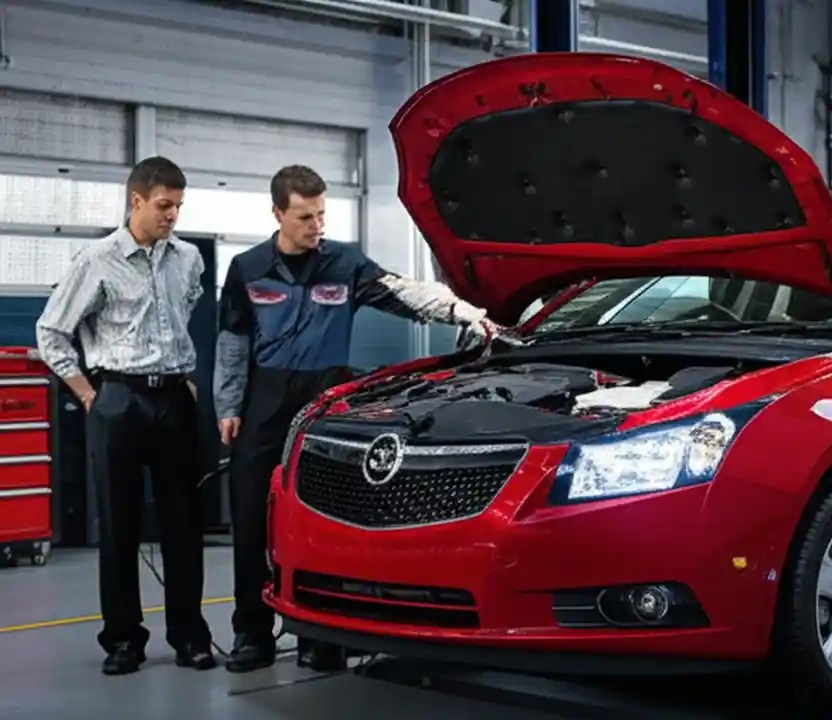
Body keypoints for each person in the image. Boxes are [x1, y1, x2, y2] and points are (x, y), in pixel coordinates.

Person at [214, 164, 505, 673]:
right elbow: (232, 344)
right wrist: (227, 407)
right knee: (250, 523)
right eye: (304, 216)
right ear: (278, 213)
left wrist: (465, 312)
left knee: (324, 524)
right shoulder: (247, 268)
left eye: (321, 214)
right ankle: (251, 635)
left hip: (325, 405)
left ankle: (321, 637)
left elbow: (406, 294)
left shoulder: (345, 264)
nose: (316, 225)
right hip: (263, 403)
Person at [36, 156, 216, 675]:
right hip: (116, 399)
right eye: (164, 205)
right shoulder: (96, 260)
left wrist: (180, 374)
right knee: (119, 523)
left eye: (179, 206)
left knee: (184, 523)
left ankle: (190, 636)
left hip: (175, 399)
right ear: (136, 201)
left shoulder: (188, 259)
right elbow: (51, 332)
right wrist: (87, 391)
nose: (173, 215)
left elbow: (188, 307)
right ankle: (123, 641)